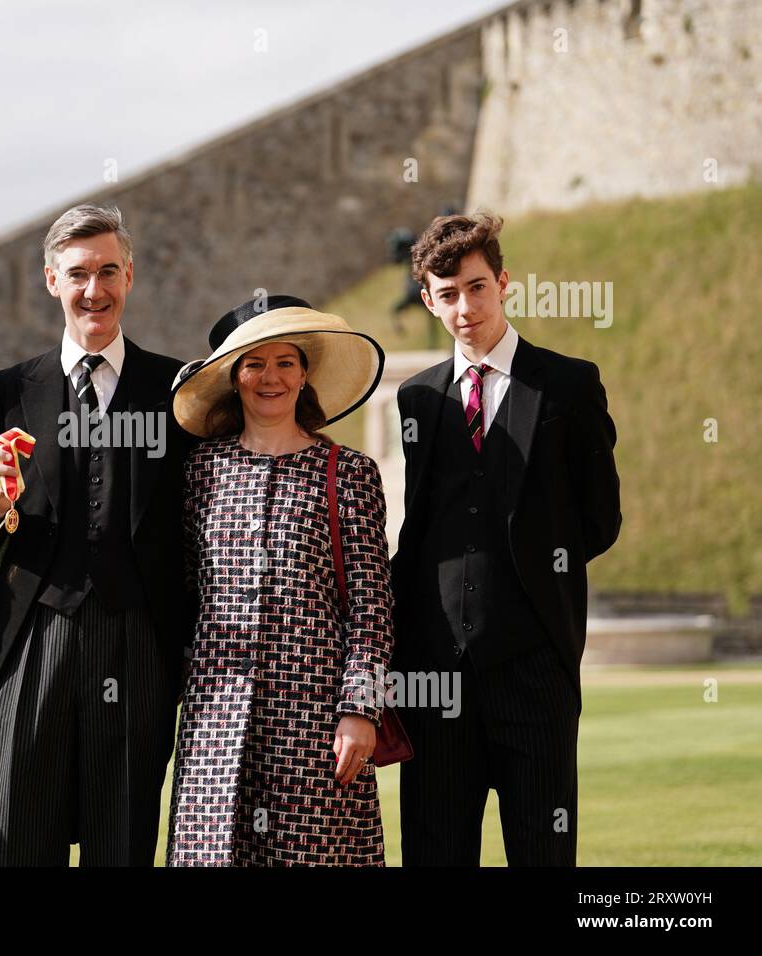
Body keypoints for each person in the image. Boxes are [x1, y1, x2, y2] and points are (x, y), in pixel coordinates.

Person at [0, 203, 195, 866]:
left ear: (131, 276)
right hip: (33, 634)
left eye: (109, 272)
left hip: (139, 642)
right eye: (79, 274)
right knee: (17, 837)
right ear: (50, 280)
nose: (95, 290)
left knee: (120, 842)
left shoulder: (176, 389)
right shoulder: (9, 389)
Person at [391, 212, 621, 866]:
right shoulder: (419, 399)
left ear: (503, 283)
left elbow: (599, 520)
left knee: (543, 854)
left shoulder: (569, 385)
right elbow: (423, 528)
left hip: (534, 673)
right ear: (430, 301)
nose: (465, 307)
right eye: (447, 294)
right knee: (434, 854)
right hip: (434, 679)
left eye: (476, 287)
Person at [165, 294, 393, 866]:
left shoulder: (350, 474)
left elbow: (371, 605)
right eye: (254, 363)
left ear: (304, 374)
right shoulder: (200, 470)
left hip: (315, 721)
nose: (270, 377)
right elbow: (184, 593)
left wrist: (360, 708)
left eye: (285, 362)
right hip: (215, 721)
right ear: (233, 378)